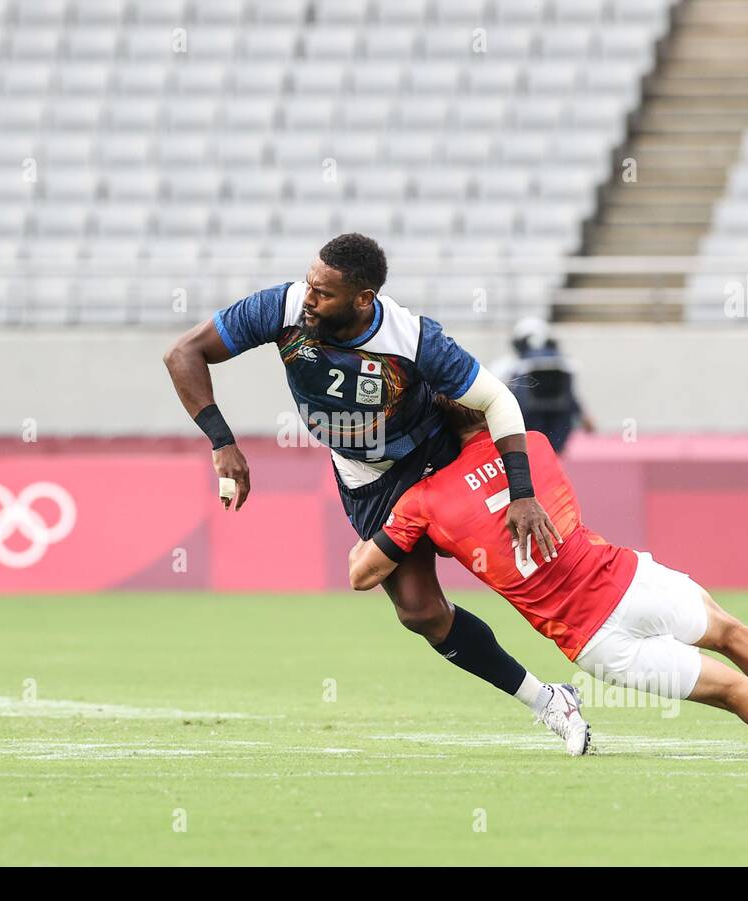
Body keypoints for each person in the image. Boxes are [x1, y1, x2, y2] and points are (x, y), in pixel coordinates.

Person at [347, 397, 748, 757]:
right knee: (733, 633)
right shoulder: (534, 445)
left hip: (595, 641)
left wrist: (392, 516)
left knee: (731, 692)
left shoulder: (425, 502)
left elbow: (362, 574)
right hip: (628, 581)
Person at [163, 234, 584, 740]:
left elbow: (498, 399)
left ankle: (620, 630)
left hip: (439, 458)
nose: (308, 298)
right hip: (367, 478)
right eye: (309, 284)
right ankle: (548, 699)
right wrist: (222, 442)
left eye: (323, 293)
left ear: (363, 299)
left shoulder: (412, 338)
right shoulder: (284, 307)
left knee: (527, 567)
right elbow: (183, 353)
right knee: (420, 612)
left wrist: (523, 493)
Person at [494, 316, 594, 453]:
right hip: (547, 426)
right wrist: (584, 416)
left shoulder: (508, 366)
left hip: (537, 426)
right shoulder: (563, 363)